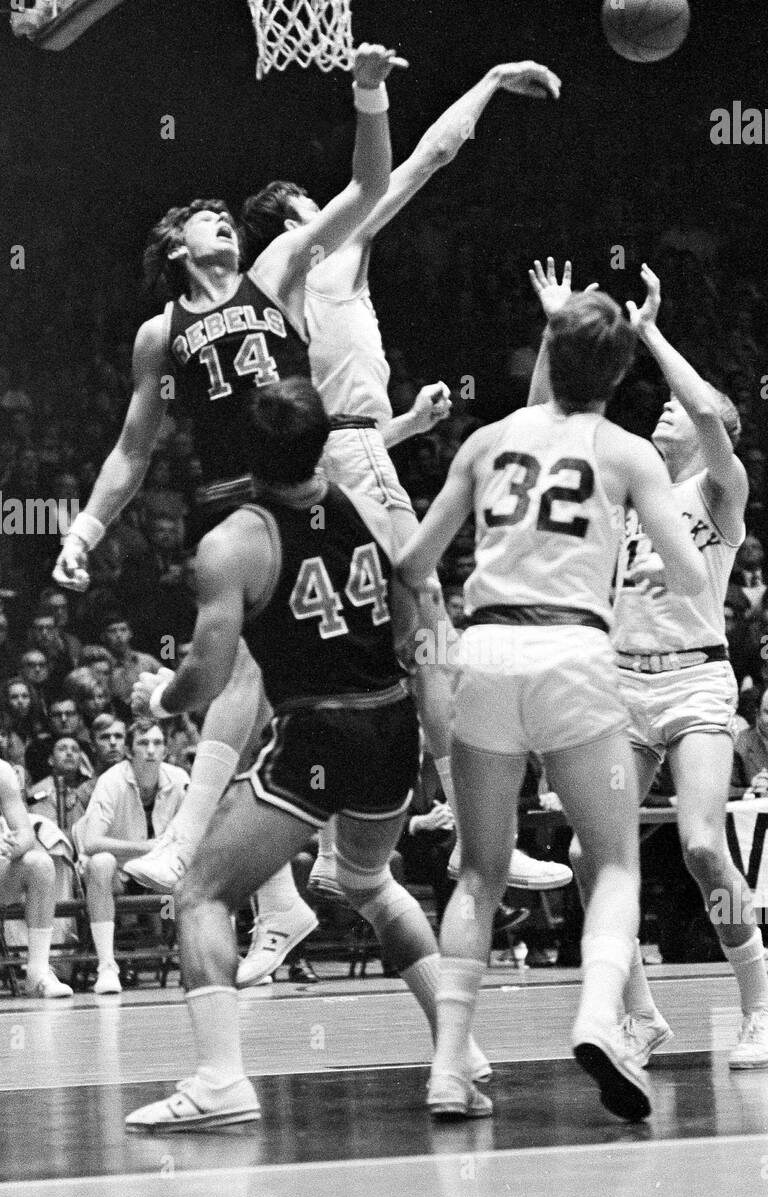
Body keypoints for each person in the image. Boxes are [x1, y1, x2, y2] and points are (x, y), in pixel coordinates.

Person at [51, 43, 405, 957]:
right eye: (209, 216)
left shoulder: (278, 272)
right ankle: (288, 886)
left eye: (225, 214)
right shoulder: (159, 332)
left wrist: (366, 93)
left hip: (302, 493)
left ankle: (218, 848)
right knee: (257, 688)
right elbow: (134, 450)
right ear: (178, 247)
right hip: (230, 510)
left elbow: (369, 190)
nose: (225, 221)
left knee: (294, 668)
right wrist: (86, 527)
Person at [236, 59, 569, 938]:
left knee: (335, 654)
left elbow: (332, 430)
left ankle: (293, 873)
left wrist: (405, 429)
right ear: (297, 223)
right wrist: (490, 80)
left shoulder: (271, 292)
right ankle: (466, 830)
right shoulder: (326, 249)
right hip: (348, 451)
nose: (334, 203)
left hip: (330, 456)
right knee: (431, 625)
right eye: (315, 201)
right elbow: (426, 156)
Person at [124, 378, 489, 1129]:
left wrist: (158, 696)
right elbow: (416, 633)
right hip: (391, 729)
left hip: (317, 734)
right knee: (370, 881)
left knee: (201, 892)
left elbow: (208, 678)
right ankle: (460, 1051)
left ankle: (221, 1080)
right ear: (322, 443)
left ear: (242, 458)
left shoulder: (232, 544)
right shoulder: (381, 518)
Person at [398, 288, 707, 1122]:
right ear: (618, 374)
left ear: (547, 351)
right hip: (573, 652)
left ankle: (446, 1071)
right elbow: (689, 576)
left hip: (486, 651)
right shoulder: (629, 453)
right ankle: (599, 1018)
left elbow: (413, 559)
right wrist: (625, 565)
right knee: (612, 864)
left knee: (479, 875)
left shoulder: (488, 441)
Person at [529, 261, 768, 1071]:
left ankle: (760, 1006)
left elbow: (708, 406)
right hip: (622, 685)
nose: (669, 411)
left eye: (675, 407)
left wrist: (645, 332)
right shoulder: (631, 488)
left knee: (702, 845)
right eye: (667, 405)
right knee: (583, 855)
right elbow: (543, 426)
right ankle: (640, 1016)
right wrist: (557, 327)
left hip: (694, 683)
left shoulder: (718, 491)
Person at [73, 720, 188, 995]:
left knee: (201, 866)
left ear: (166, 750)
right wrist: (146, 848)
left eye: (157, 743)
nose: (151, 750)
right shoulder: (111, 781)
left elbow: (192, 834)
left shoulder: (180, 780)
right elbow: (91, 842)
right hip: (119, 873)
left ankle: (196, 961)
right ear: (129, 751)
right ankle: (107, 966)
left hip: (161, 873)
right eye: (143, 743)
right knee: (101, 862)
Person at [0, 757, 63, 997]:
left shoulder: (3, 772)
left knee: (40, 864)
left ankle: (38, 973)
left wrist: (8, 847)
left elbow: (25, 834)